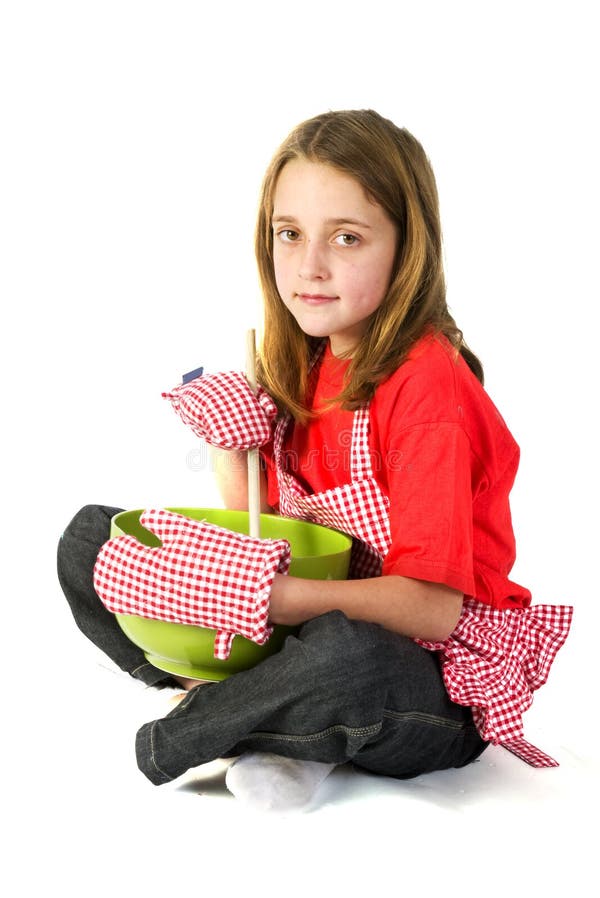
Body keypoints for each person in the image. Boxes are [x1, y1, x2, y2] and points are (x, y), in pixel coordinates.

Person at [57, 109, 572, 812]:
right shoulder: (305, 355)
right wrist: (228, 445)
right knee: (95, 541)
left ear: (406, 248)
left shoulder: (428, 388)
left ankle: (222, 722)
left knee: (347, 655)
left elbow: (432, 609)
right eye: (290, 234)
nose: (310, 267)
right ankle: (274, 716)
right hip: (303, 616)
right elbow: (266, 527)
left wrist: (278, 600)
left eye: (348, 238)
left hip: (429, 677)